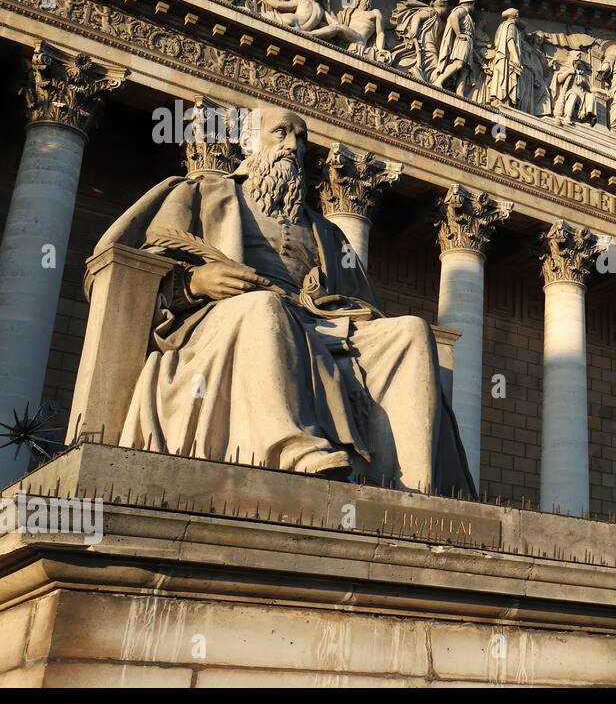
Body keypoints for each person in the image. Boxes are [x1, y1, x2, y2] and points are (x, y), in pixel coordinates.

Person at [93, 107, 475, 497]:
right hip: (222, 319)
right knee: (264, 309)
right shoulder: (200, 194)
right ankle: (290, 448)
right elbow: (135, 267)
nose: (294, 146)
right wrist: (195, 281)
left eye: (302, 138)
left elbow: (364, 305)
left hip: (318, 323)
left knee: (409, 332)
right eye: (281, 133)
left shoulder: (326, 232)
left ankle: (414, 488)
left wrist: (327, 301)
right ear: (249, 142)